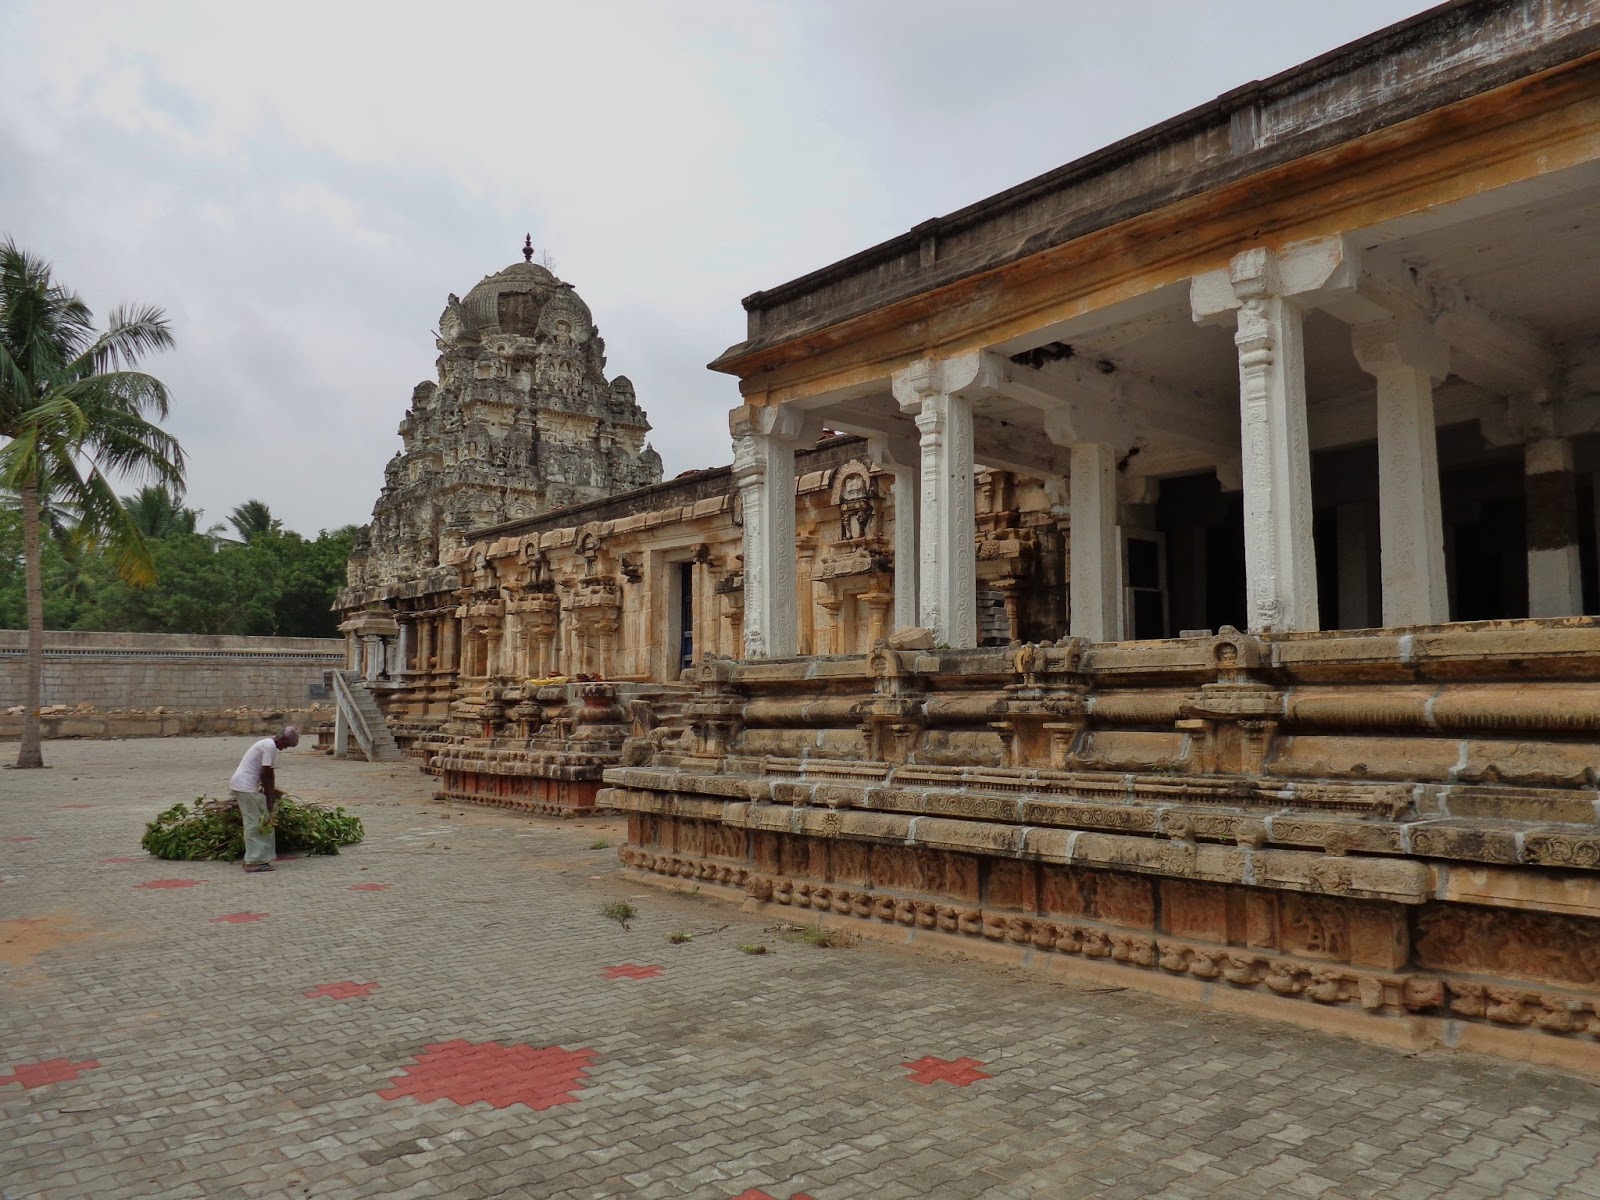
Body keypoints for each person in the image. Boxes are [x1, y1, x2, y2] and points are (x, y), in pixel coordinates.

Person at [229, 726, 299, 873]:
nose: (284, 748)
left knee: (258, 822)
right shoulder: (270, 746)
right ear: (283, 739)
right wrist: (270, 797)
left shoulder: (266, 744)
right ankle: (254, 861)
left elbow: (266, 773)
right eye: (286, 745)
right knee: (257, 824)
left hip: (244, 785)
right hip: (246, 787)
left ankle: (254, 858)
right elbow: (267, 773)